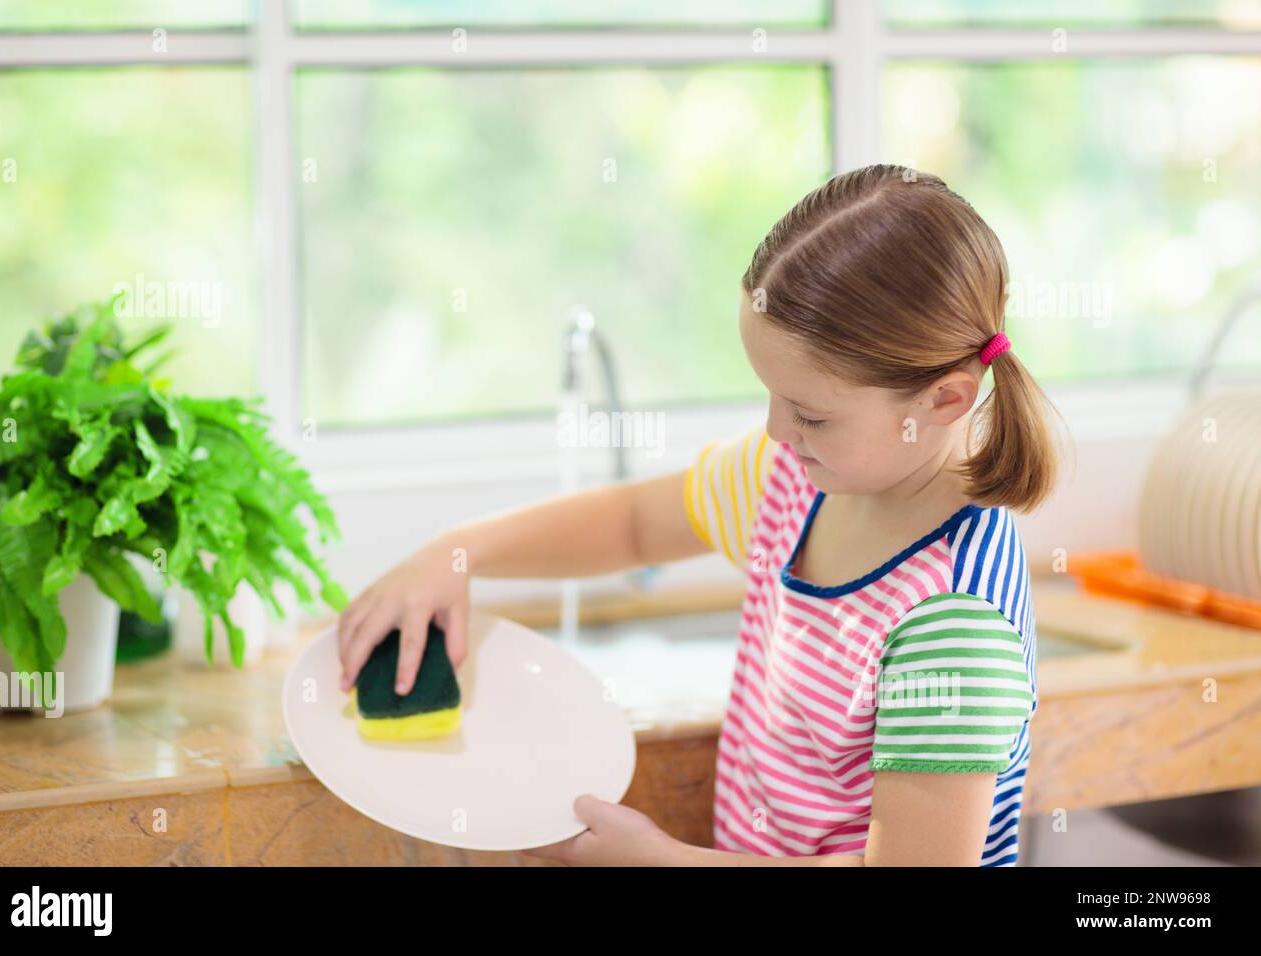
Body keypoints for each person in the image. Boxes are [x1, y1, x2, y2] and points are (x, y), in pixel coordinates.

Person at [337, 164, 1060, 866]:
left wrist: (659, 862)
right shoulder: (795, 477)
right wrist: (458, 551)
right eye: (771, 395)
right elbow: (633, 527)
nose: (777, 431)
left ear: (943, 400)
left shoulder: (954, 623)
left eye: (810, 412)